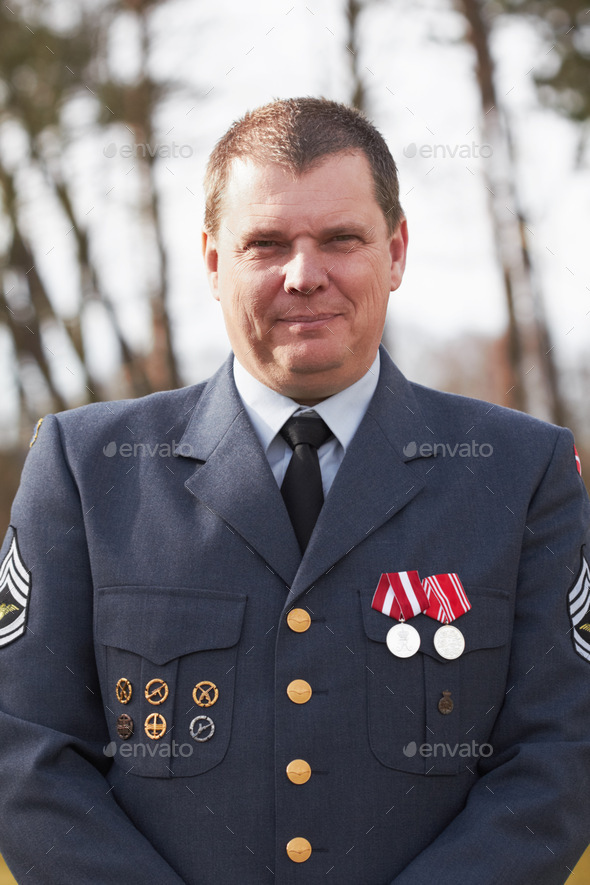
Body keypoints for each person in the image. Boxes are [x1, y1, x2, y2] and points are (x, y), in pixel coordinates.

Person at [0, 97, 589, 885]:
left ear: (397, 250)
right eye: (266, 243)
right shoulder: (84, 468)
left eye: (341, 239)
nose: (304, 275)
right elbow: (25, 751)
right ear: (213, 261)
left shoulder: (521, 473)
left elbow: (559, 754)